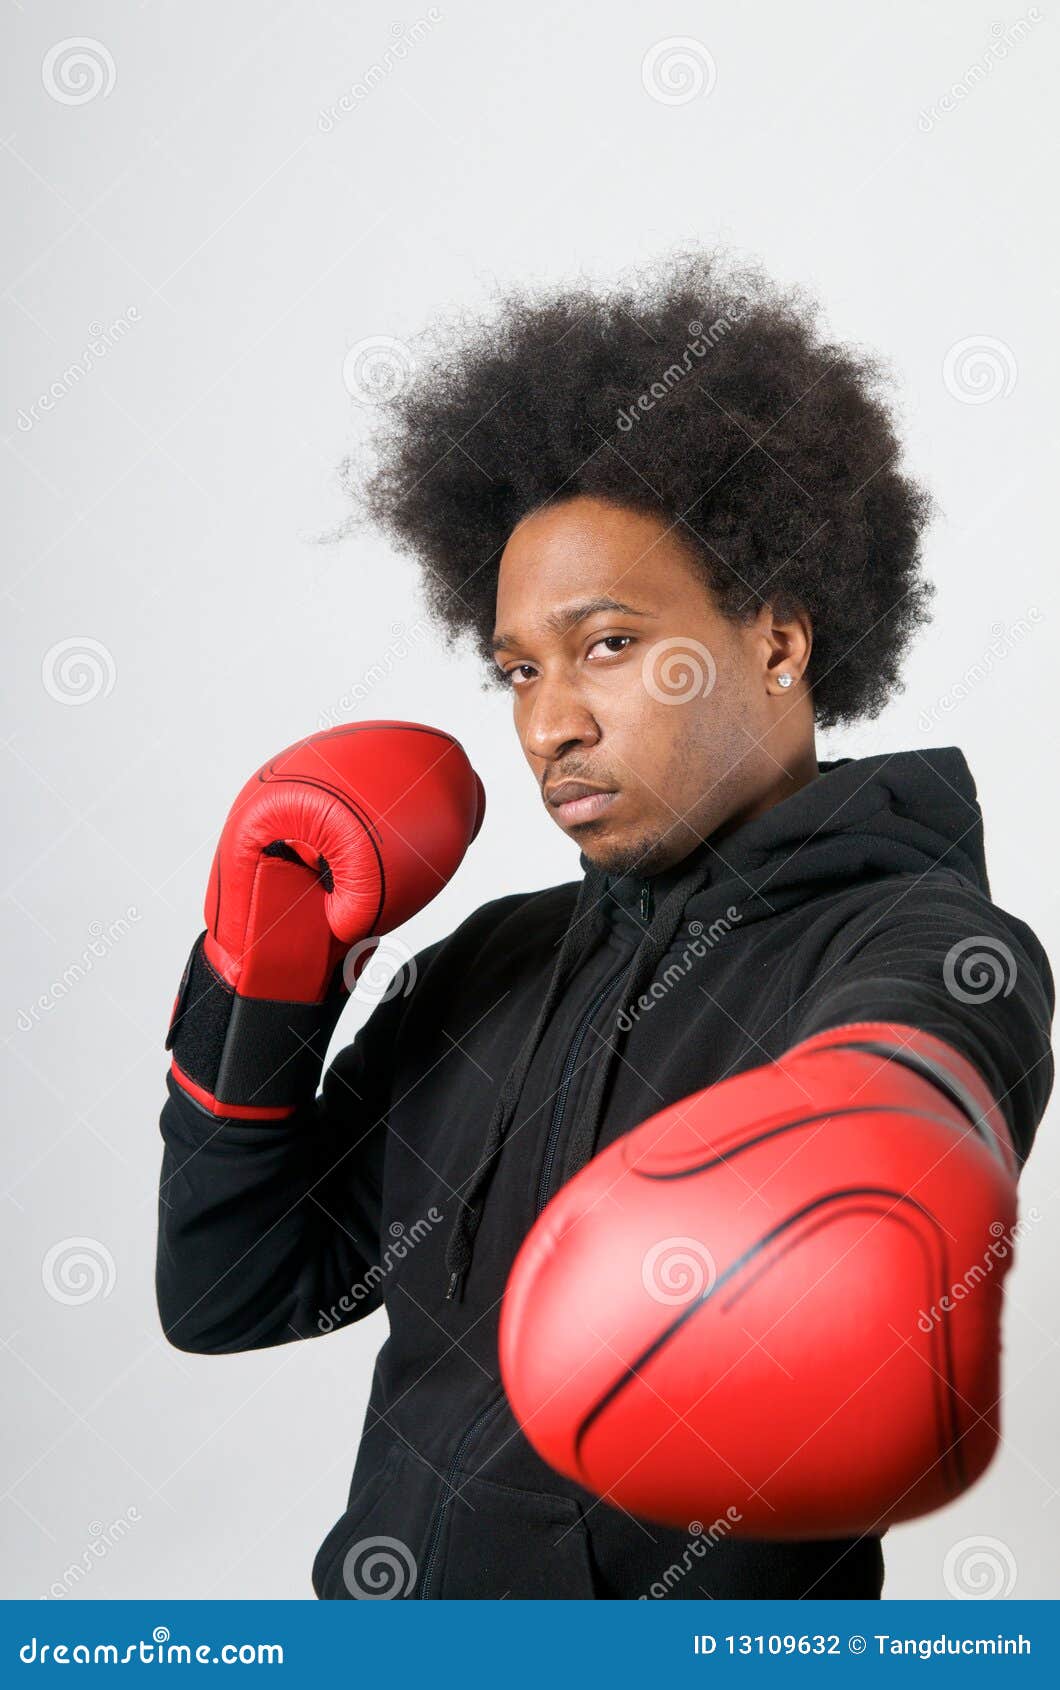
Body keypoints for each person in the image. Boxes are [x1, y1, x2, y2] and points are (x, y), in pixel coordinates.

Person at [155, 253, 1054, 1600]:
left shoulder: (913, 942)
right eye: (518, 666)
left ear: (778, 640)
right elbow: (231, 1290)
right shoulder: (484, 965)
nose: (546, 721)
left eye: (609, 644)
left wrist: (872, 1154)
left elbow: (929, 1055)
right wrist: (265, 976)